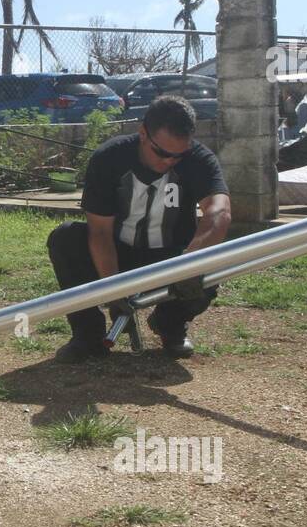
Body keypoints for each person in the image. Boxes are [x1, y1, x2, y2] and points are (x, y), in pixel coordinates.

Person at [46, 95, 231, 361]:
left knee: (214, 260)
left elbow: (219, 212)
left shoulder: (199, 159)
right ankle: (87, 335)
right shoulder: (109, 158)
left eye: (178, 156)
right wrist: (114, 291)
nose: (169, 161)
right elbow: (99, 233)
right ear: (143, 133)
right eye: (162, 153)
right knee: (65, 238)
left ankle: (170, 325)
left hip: (172, 258)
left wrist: (190, 264)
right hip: (118, 254)